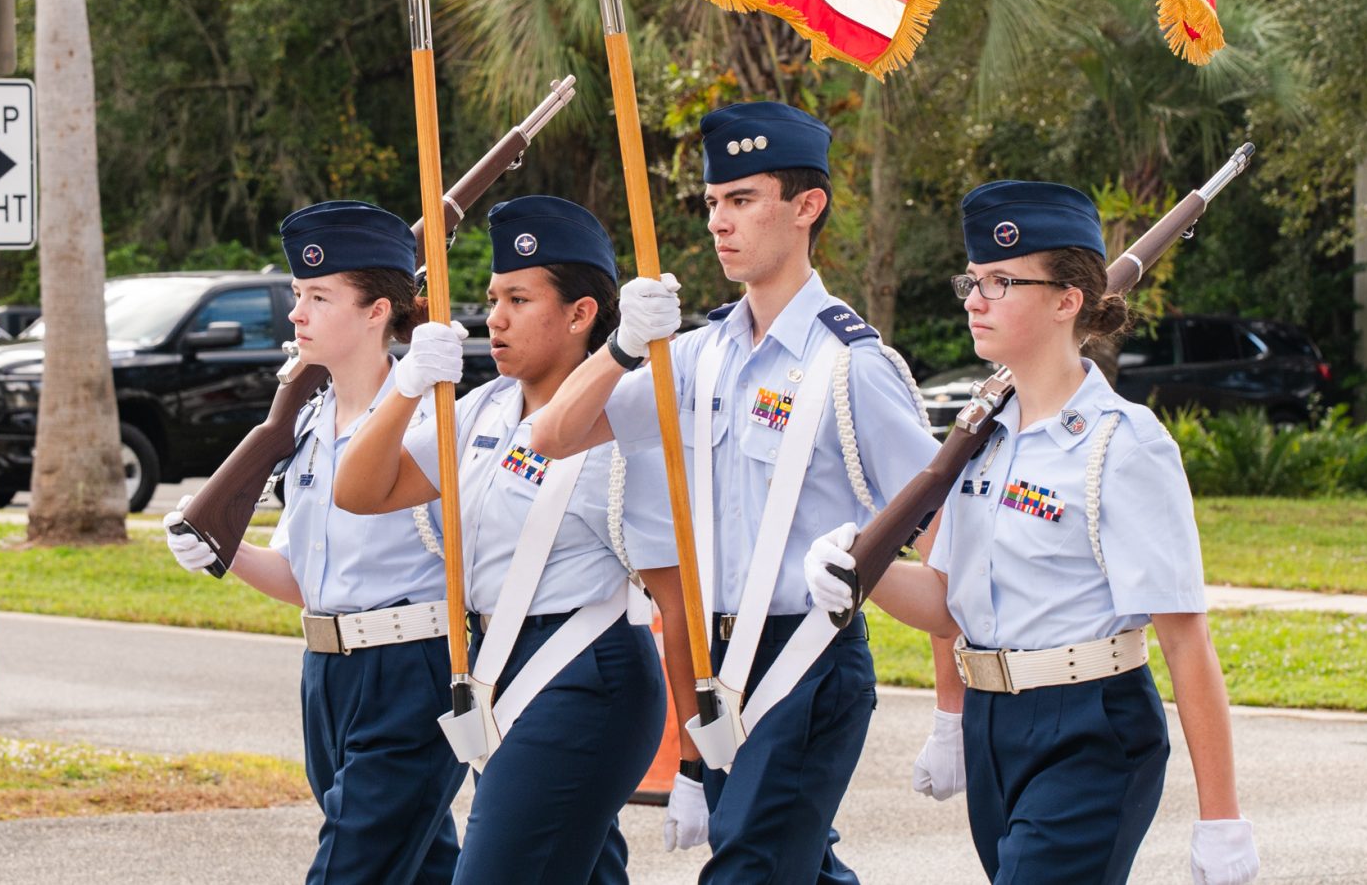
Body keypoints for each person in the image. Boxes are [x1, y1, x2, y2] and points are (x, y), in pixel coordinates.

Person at [803, 180, 1261, 885]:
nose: (974, 300)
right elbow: (947, 603)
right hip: (994, 724)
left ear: (1067, 301)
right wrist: (859, 571)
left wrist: (1221, 820)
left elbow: (1183, 638)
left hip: (1090, 729)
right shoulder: (981, 437)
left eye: (1001, 282)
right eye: (974, 280)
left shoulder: (1123, 446)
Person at [531, 101, 941, 885]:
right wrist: (621, 347)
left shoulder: (852, 365)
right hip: (716, 662)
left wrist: (951, 711)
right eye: (714, 203)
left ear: (806, 207)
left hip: (806, 657)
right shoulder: (695, 355)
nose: (720, 222)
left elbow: (941, 528)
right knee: (793, 867)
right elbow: (552, 435)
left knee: (751, 869)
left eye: (743, 200)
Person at [336, 195, 698, 884]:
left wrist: (694, 761)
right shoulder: (480, 409)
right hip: (498, 667)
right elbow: (359, 490)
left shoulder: (630, 420)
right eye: (493, 297)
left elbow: (675, 598)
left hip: (587, 675)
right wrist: (408, 384)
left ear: (580, 314)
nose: (493, 318)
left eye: (519, 299)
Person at [163, 200, 467, 885]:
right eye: (298, 295)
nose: (296, 313)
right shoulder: (306, 422)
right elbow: (302, 577)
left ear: (378, 311)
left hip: (409, 670)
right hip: (326, 673)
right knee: (418, 868)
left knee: (349, 867)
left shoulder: (433, 420)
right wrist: (224, 550)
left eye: (319, 296)